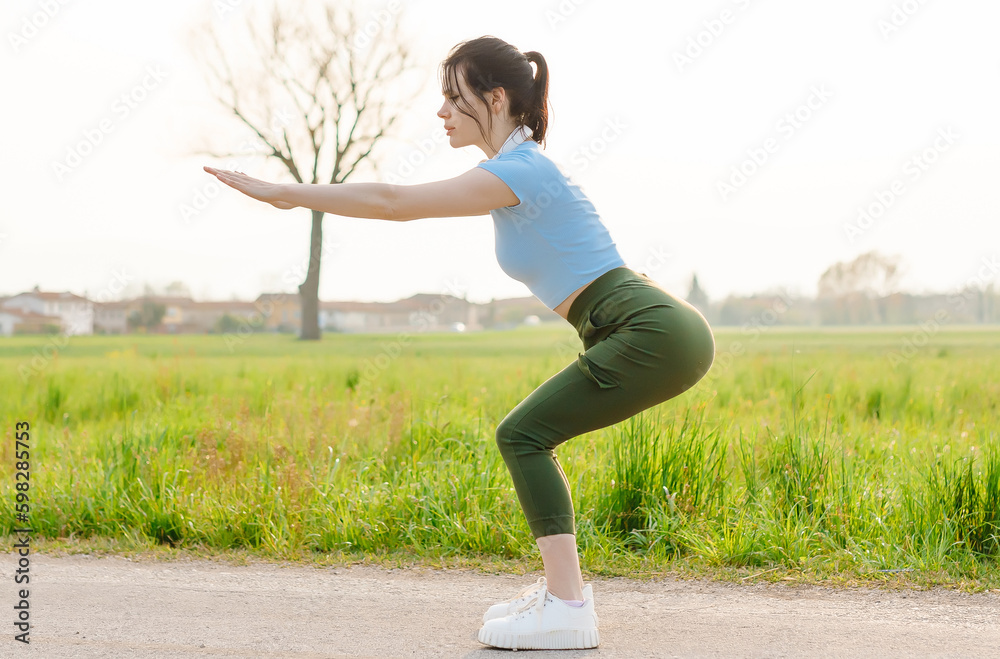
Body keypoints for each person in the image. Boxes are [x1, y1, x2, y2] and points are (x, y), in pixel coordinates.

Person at [205, 34, 715, 651]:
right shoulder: (515, 168)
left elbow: (396, 203)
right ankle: (562, 597)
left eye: (454, 97)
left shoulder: (521, 169)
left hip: (650, 328)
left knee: (522, 434)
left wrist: (285, 193)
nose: (441, 112)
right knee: (528, 434)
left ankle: (567, 607)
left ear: (495, 99)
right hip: (642, 324)